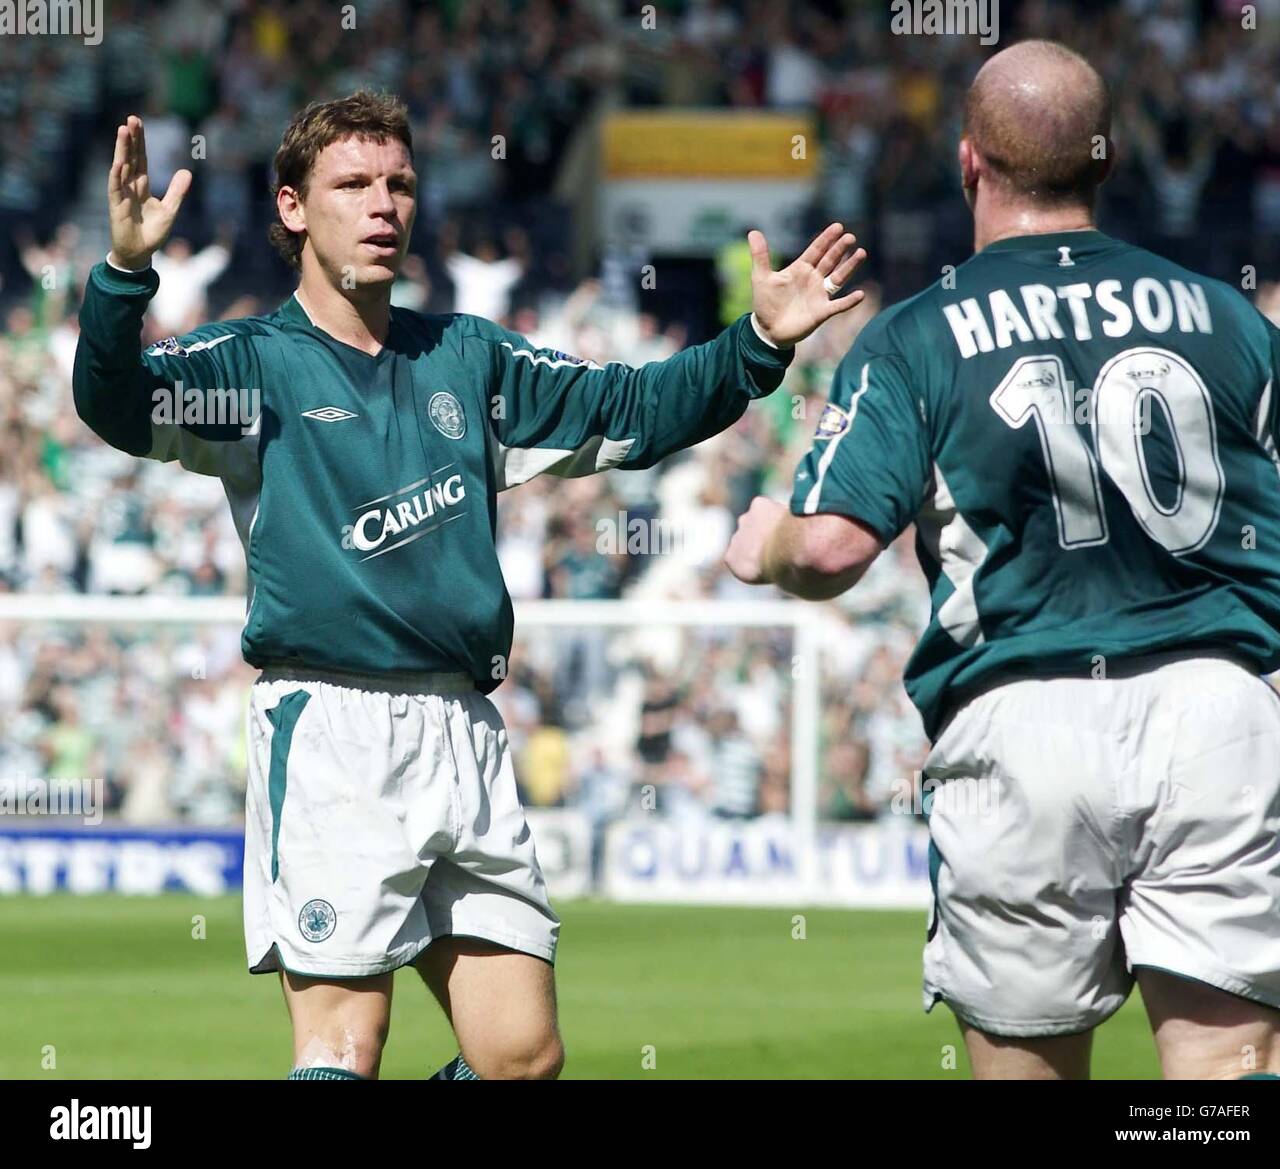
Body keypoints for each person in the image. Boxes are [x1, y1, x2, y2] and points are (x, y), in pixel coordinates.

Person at [73, 91, 865, 1080]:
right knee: (342, 1045)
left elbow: (628, 406)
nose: (382, 205)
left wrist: (755, 344)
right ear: (290, 208)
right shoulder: (252, 366)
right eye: (352, 184)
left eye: (398, 184)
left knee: (521, 1059)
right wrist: (123, 272)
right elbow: (115, 401)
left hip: (463, 728)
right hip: (332, 729)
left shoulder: (467, 357)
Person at [725, 40, 1280, 1081]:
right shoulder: (1227, 316)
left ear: (966, 163)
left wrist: (763, 540)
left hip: (1022, 717)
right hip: (1216, 707)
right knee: (1234, 1070)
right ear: (1108, 159)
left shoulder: (916, 335)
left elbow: (831, 546)